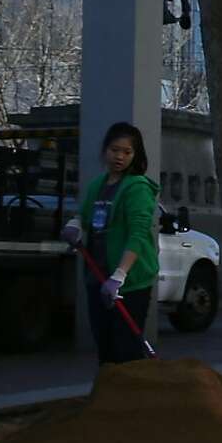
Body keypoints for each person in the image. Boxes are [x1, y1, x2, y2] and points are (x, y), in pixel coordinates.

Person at [61, 122, 159, 367]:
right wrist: (74, 225)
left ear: (136, 156)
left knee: (125, 349)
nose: (120, 156)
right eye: (115, 149)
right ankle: (108, 396)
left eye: (127, 152)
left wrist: (120, 275)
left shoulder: (137, 188)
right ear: (105, 150)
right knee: (104, 347)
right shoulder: (98, 185)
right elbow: (84, 217)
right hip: (97, 277)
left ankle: (132, 399)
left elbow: (137, 234)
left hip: (129, 282)